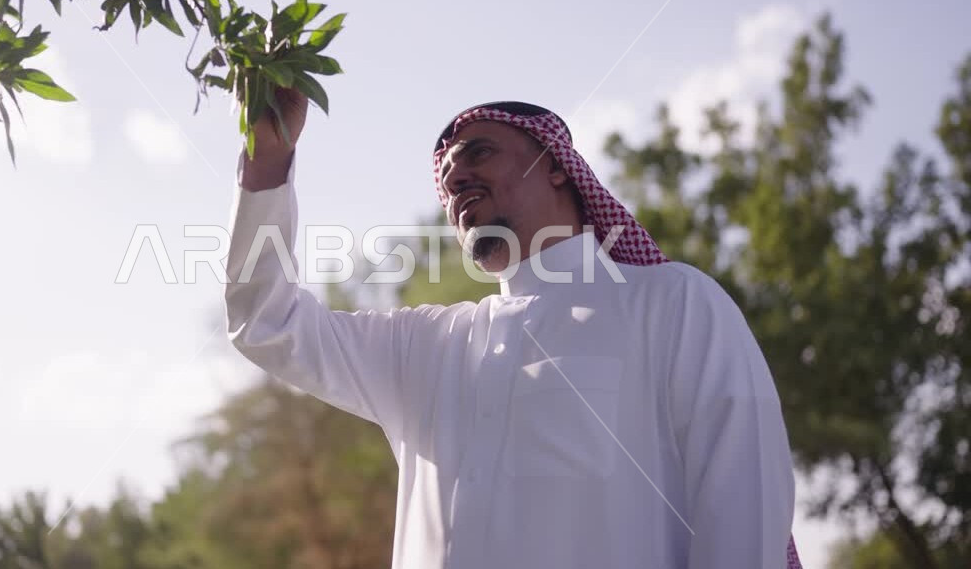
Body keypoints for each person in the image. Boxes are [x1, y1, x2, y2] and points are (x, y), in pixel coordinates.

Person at [224, 90, 804, 568]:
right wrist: (267, 158)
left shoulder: (672, 303)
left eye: (479, 153)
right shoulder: (425, 346)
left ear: (555, 164)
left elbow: (742, 513)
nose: (457, 180)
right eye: (447, 177)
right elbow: (267, 322)